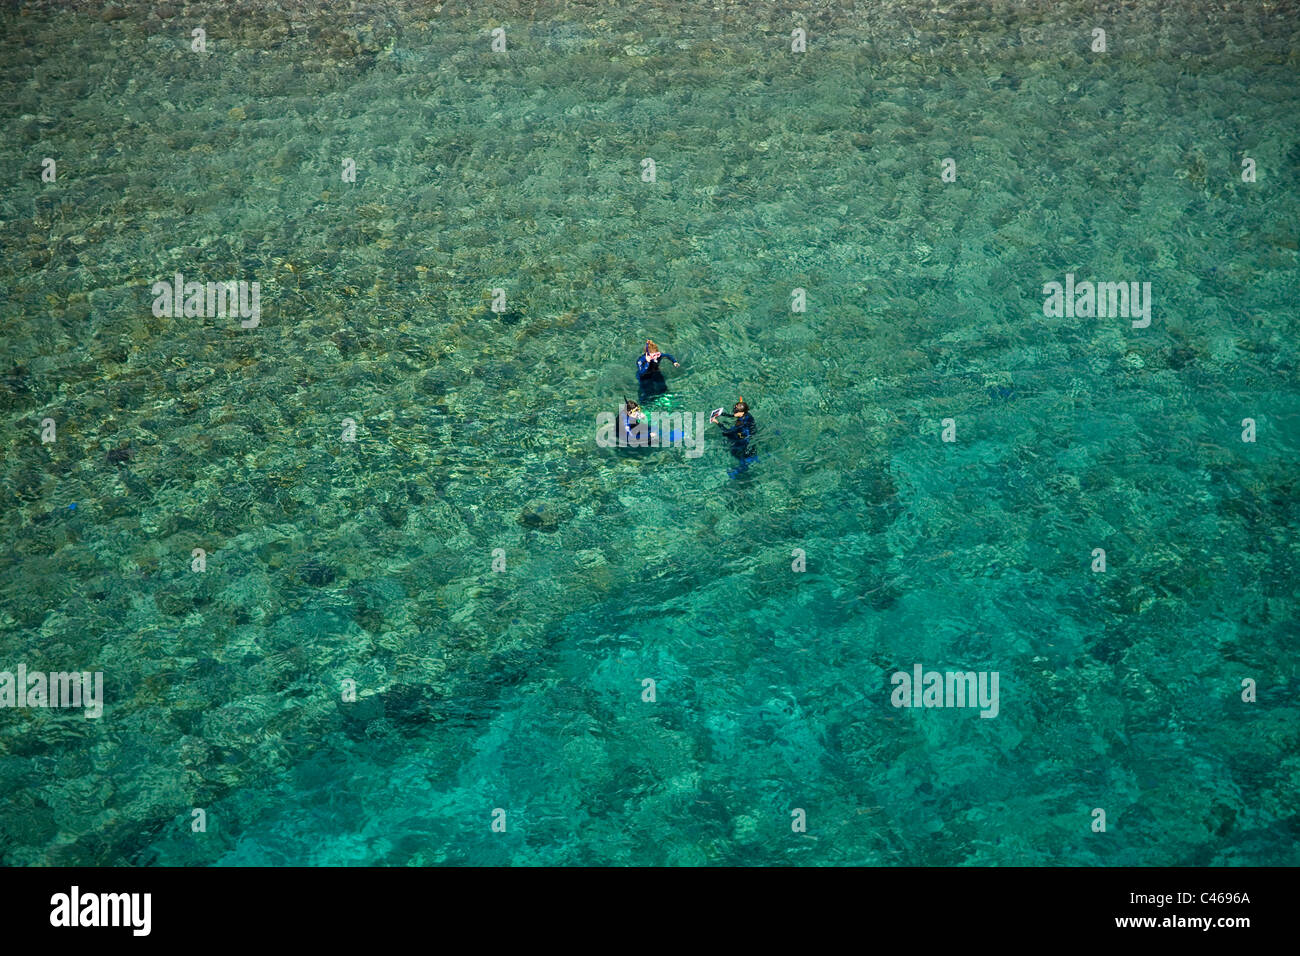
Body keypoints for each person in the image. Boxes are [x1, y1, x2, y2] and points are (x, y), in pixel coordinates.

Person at [711, 396, 758, 474]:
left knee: (737, 453)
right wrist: (722, 414)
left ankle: (742, 469)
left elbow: (727, 432)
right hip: (747, 434)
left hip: (744, 439)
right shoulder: (746, 414)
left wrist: (717, 422)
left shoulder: (741, 424)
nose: (734, 412)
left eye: (736, 411)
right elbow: (733, 415)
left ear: (741, 412)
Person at [636, 339, 679, 403]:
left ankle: (665, 397)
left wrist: (674, 362)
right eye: (654, 356)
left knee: (663, 387)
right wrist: (647, 363)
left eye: (657, 354)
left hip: (655, 372)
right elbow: (641, 372)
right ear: (647, 355)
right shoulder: (641, 360)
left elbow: (668, 356)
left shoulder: (659, 356)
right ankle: (643, 402)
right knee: (647, 391)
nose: (656, 357)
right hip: (644, 376)